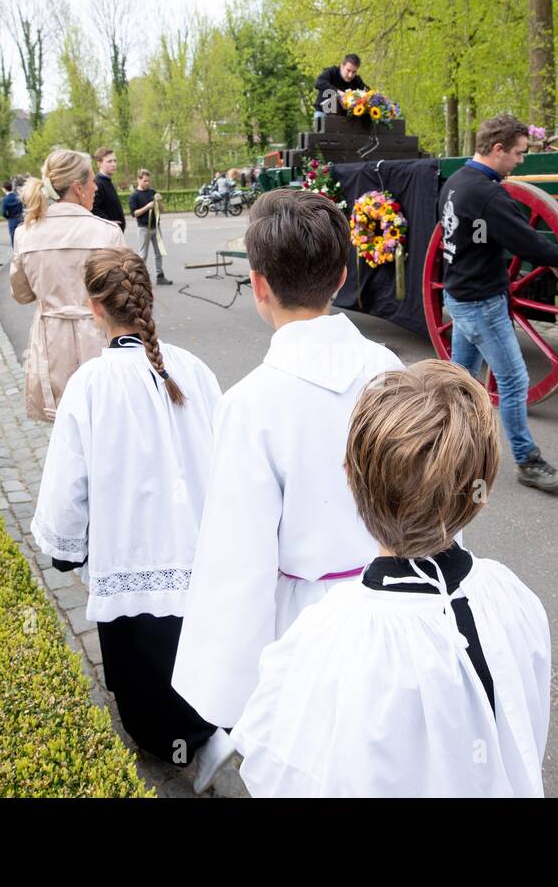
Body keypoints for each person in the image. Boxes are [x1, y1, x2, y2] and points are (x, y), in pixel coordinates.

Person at [231, 360, 553, 797]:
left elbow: (279, 766)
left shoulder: (326, 636)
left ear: (349, 476)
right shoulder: (513, 596)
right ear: (482, 490)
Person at [171, 188, 405, 747]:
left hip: (304, 632)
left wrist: (228, 689)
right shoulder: (391, 368)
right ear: (343, 273)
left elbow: (238, 560)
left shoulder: (251, 404)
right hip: (397, 614)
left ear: (258, 285)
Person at [30, 247, 234, 791]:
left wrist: (65, 543)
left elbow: (68, 479)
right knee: (192, 650)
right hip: (195, 552)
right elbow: (225, 455)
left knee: (142, 670)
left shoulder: (91, 384)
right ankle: (207, 729)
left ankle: (172, 748)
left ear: (96, 309)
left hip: (128, 554)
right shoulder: (192, 369)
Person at [439, 113, 558, 493]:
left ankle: (447, 453)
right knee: (513, 381)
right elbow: (524, 240)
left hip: (459, 297)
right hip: (482, 303)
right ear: (497, 149)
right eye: (518, 153)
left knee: (460, 384)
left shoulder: (455, 183)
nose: (520, 161)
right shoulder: (487, 193)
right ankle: (528, 461)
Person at [11, 148, 129, 423]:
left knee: (65, 426)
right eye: (91, 180)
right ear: (78, 187)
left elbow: (21, 294)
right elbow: (125, 295)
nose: (96, 186)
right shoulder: (107, 232)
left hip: (51, 343)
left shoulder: (25, 234)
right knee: (105, 418)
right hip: (100, 338)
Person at [127, 169, 171, 286]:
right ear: (139, 180)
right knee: (143, 255)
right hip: (144, 228)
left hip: (156, 227)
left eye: (149, 181)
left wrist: (160, 202)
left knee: (158, 253)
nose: (148, 183)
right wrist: (147, 207)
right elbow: (134, 213)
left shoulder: (152, 192)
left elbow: (162, 209)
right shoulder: (134, 196)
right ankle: (141, 279)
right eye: (145, 181)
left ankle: (160, 276)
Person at [91, 148, 126, 230]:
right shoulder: (98, 183)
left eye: (115, 161)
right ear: (99, 164)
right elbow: (92, 208)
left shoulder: (107, 181)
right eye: (109, 161)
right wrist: (109, 222)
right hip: (107, 234)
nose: (113, 164)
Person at [0, 179, 24, 247]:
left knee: (14, 238)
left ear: (4, 189)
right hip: (21, 218)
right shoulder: (18, 196)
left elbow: (3, 212)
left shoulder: (4, 199)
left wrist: (8, 217)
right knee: (22, 238)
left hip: (12, 219)